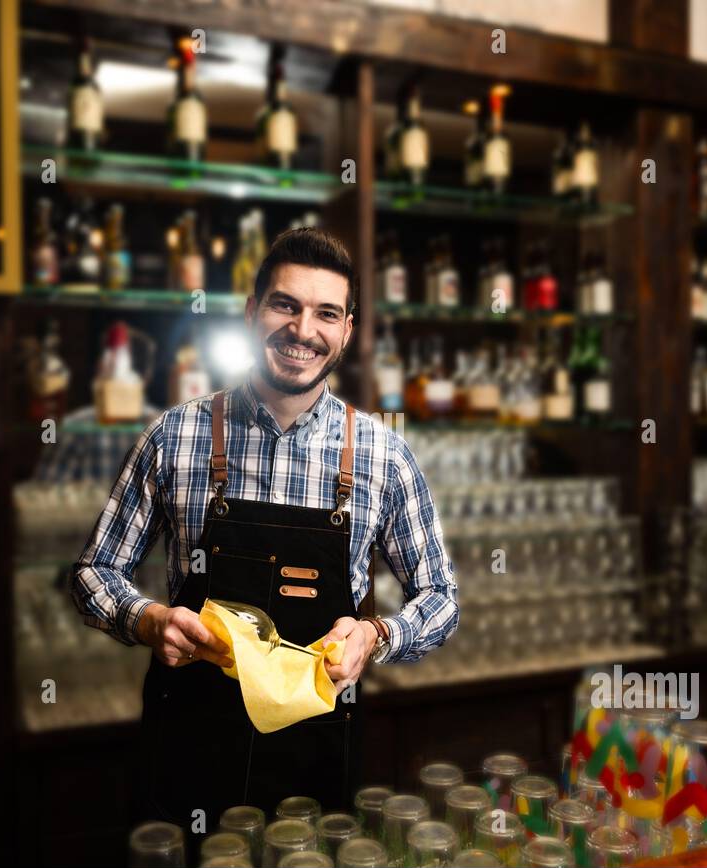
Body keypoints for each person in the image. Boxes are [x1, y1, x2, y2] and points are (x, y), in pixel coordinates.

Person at [72, 226, 459, 828]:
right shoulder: (174, 436)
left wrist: (375, 635)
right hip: (190, 743)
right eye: (285, 305)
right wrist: (145, 620)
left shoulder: (384, 455)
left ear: (347, 330)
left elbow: (441, 598)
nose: (303, 331)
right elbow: (95, 572)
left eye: (326, 313)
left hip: (318, 750)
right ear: (253, 312)